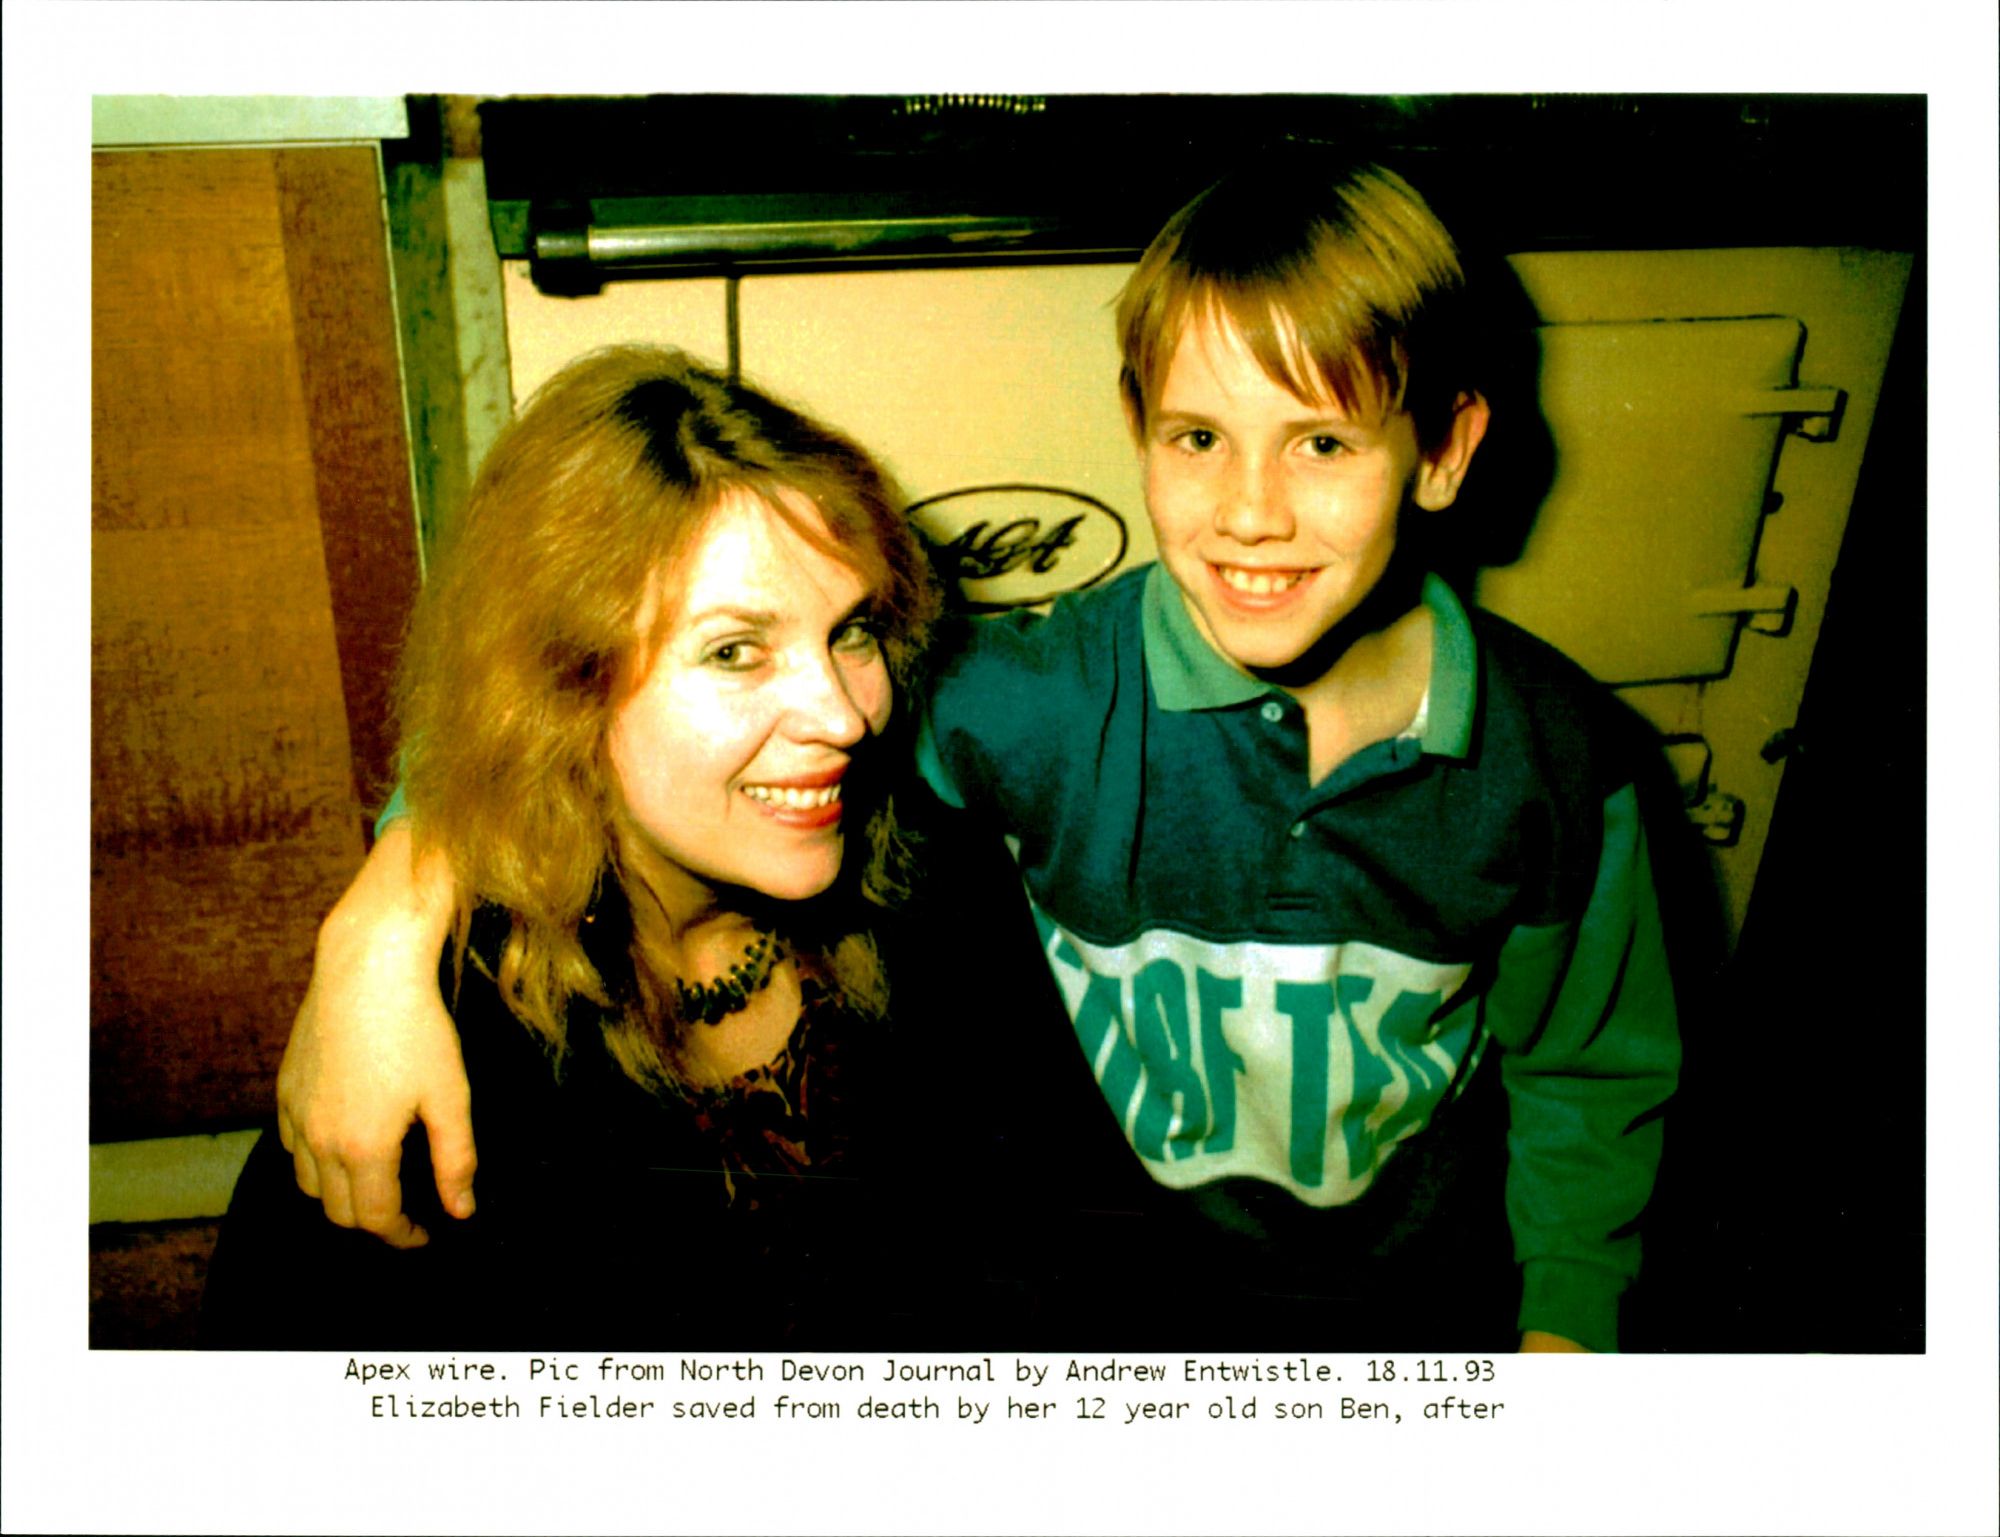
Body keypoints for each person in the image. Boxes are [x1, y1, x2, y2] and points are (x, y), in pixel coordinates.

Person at [270, 155, 1680, 1352]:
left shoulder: (1564, 767)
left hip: (1418, 1315)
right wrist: (380, 923)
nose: (1251, 510)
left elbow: (1594, 1085)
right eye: (1200, 436)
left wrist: (1562, 1335)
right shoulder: (1032, 698)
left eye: (1321, 440)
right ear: (1136, 430)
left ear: (1443, 452)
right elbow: (567, 717)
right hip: (1141, 1304)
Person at [203, 346, 1042, 1348]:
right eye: (736, 651)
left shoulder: (940, 891)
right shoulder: (439, 1051)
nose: (843, 716)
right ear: (565, 686)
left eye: (850, 632)